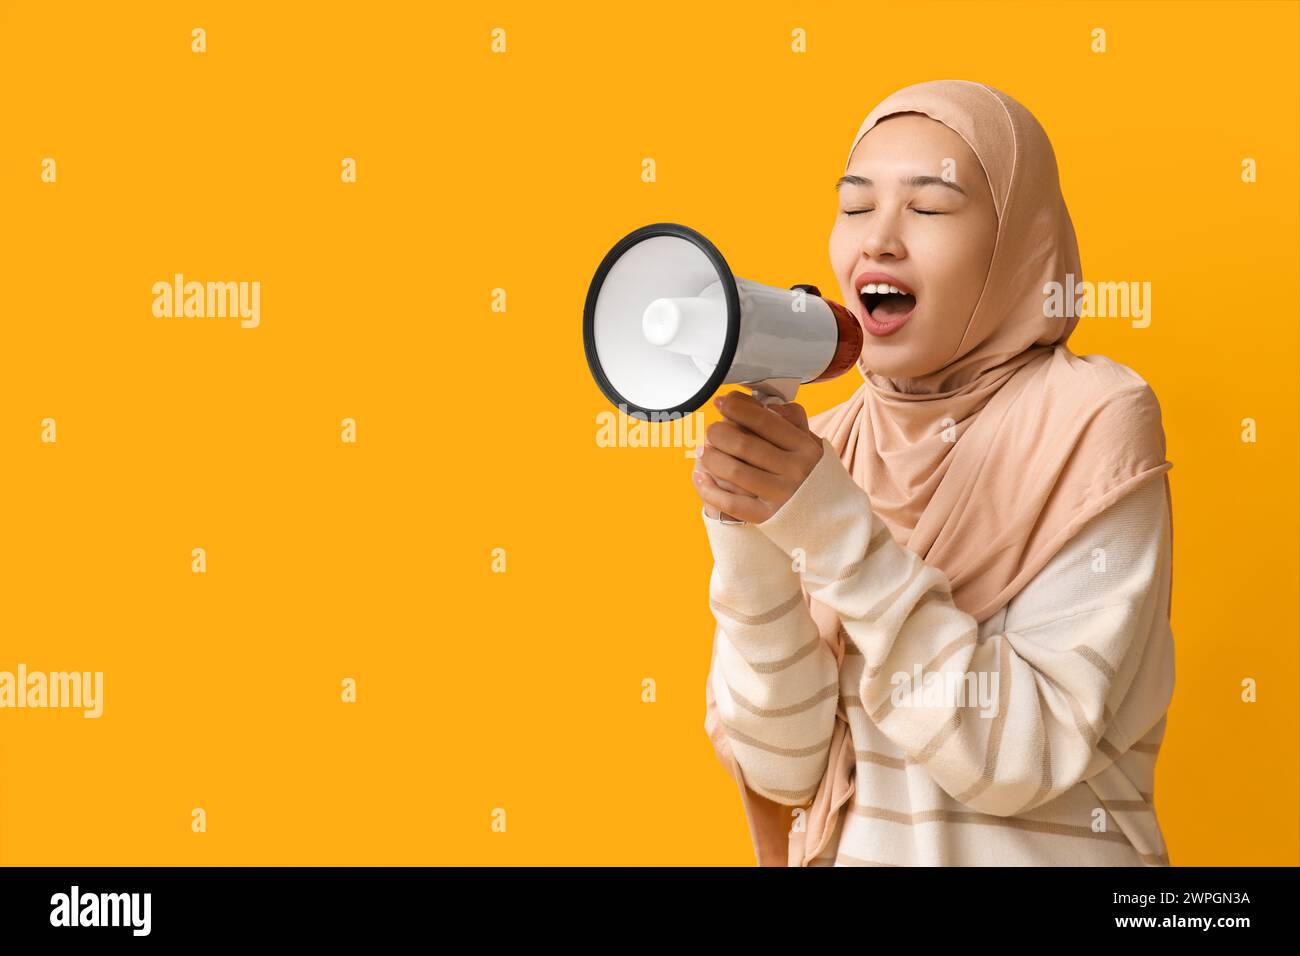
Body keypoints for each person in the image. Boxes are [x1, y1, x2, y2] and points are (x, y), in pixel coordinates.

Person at [692, 80, 1175, 866]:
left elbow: (1020, 754)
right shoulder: (829, 447)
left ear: (1017, 242)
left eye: (930, 208)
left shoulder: (1092, 418)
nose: (878, 240)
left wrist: (829, 527)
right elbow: (784, 770)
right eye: (855, 207)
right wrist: (748, 539)